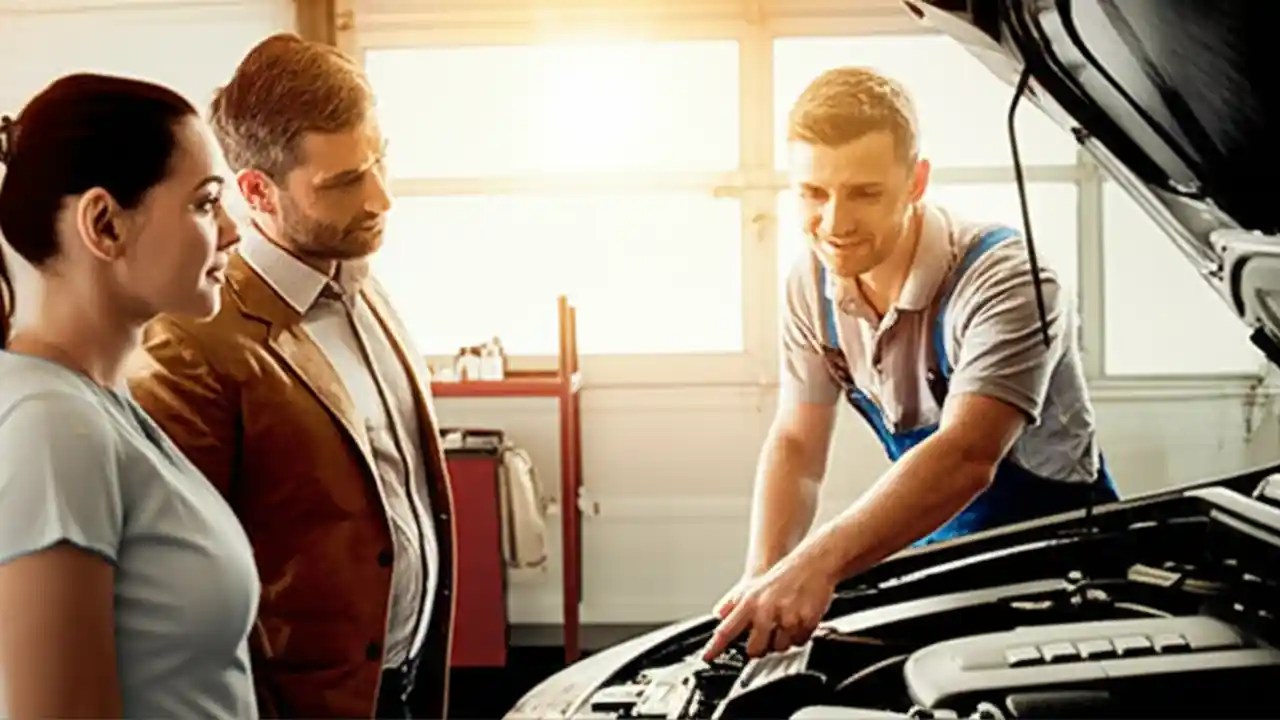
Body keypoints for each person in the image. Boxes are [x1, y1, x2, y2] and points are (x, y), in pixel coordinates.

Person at [703, 66, 1119, 661]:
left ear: (916, 181)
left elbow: (966, 457)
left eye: (865, 192)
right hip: (942, 545)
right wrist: (765, 576)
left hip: (1059, 560)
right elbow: (797, 444)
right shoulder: (809, 284)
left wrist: (816, 560)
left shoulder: (1007, 279)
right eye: (813, 193)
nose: (834, 223)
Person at [125, 33, 456, 720]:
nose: (381, 200)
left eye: (378, 163)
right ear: (256, 192)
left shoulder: (362, 281)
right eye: (342, 184)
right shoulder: (191, 342)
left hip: (405, 682)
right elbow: (172, 594)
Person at [0, 74, 254, 718]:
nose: (231, 231)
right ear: (105, 224)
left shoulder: (103, 407)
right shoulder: (54, 426)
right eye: (205, 203)